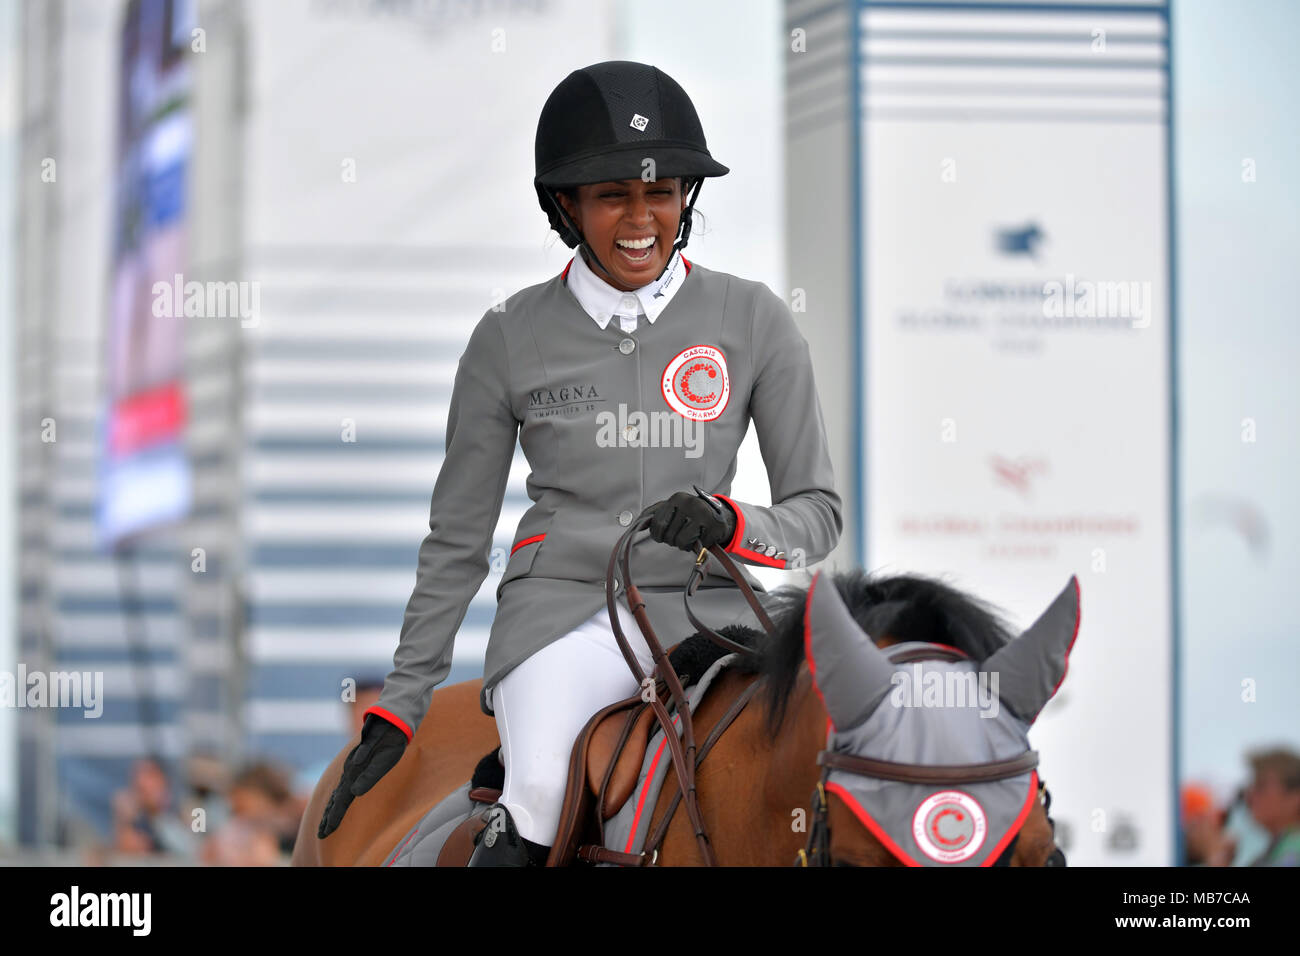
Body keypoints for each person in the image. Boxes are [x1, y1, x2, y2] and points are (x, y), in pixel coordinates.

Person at [317, 60, 843, 865]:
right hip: (564, 614)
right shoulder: (508, 335)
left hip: (715, 611)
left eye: (662, 192)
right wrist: (403, 702)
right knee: (536, 795)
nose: (642, 219)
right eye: (613, 196)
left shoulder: (755, 319)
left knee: (822, 776)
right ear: (567, 207)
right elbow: (456, 542)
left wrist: (733, 523)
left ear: (685, 201)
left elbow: (818, 519)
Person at [1242, 747, 1300, 866]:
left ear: (1295, 797)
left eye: (1261, 786)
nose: (1250, 795)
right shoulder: (1279, 848)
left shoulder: (1293, 851)